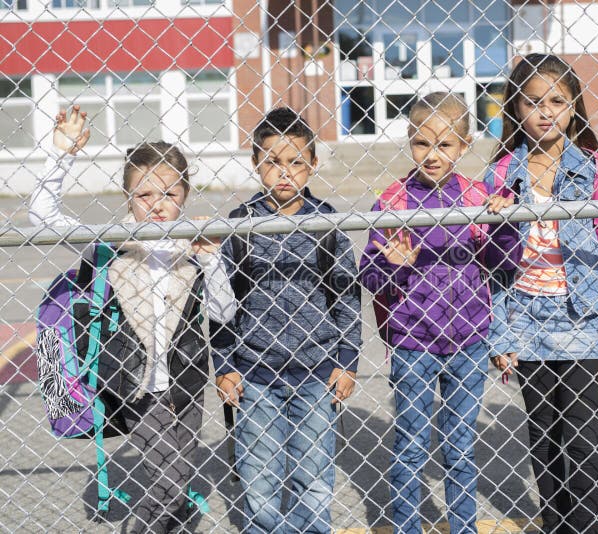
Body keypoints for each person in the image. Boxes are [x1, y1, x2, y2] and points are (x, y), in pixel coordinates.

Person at [29, 105, 236, 533]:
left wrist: (211, 259)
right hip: (137, 386)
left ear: (185, 195)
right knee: (167, 484)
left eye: (170, 194)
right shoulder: (110, 245)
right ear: (127, 197)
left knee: (176, 485)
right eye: (144, 195)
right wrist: (61, 154)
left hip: (187, 383)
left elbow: (223, 313)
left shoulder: (191, 247)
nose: (157, 206)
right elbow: (41, 218)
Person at [359, 92, 519, 534]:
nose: (432, 155)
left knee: (459, 446)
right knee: (410, 444)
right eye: (421, 143)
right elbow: (368, 277)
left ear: (464, 146)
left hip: (469, 338)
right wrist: (388, 266)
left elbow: (504, 262)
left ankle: (463, 527)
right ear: (409, 141)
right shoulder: (393, 202)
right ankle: (409, 526)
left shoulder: (476, 196)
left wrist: (506, 224)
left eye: (444, 145)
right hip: (412, 340)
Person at [486, 54, 598, 534]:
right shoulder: (500, 174)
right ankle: (555, 525)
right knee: (544, 441)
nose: (545, 111)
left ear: (574, 108)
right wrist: (502, 336)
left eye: (557, 101)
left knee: (583, 442)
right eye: (532, 102)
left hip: (585, 320)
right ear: (515, 108)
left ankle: (585, 528)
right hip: (526, 320)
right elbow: (492, 271)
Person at [211, 107, 362, 533]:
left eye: (296, 162)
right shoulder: (241, 225)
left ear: (313, 164)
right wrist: (224, 365)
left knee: (312, 476)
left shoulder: (325, 223)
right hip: (255, 374)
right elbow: (222, 304)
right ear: (256, 164)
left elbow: (346, 298)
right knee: (259, 479)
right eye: (272, 162)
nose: (284, 173)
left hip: (316, 372)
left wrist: (347, 359)